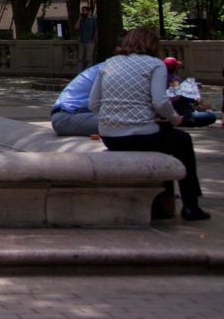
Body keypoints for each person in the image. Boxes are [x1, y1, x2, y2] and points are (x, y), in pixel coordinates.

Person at [89, 26, 209, 221]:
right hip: (141, 134)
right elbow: (160, 102)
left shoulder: (109, 63)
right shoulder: (155, 64)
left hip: (110, 136)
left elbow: (93, 104)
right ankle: (190, 205)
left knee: (165, 138)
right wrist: (174, 118)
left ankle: (161, 204)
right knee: (182, 141)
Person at [50, 64, 101, 137]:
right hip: (67, 116)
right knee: (116, 123)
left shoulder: (107, 68)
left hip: (74, 114)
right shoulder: (109, 71)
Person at [164, 57, 216, 128]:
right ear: (174, 68)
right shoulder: (175, 80)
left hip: (162, 116)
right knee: (211, 116)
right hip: (181, 117)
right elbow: (182, 96)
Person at [77, 5, 97, 70]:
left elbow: (96, 30)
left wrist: (93, 39)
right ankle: (80, 72)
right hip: (82, 41)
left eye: (84, 11)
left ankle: (88, 71)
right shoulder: (82, 20)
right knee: (80, 58)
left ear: (88, 11)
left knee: (89, 58)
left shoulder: (93, 19)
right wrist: (79, 19)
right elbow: (76, 27)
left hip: (90, 41)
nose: (82, 12)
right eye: (82, 11)